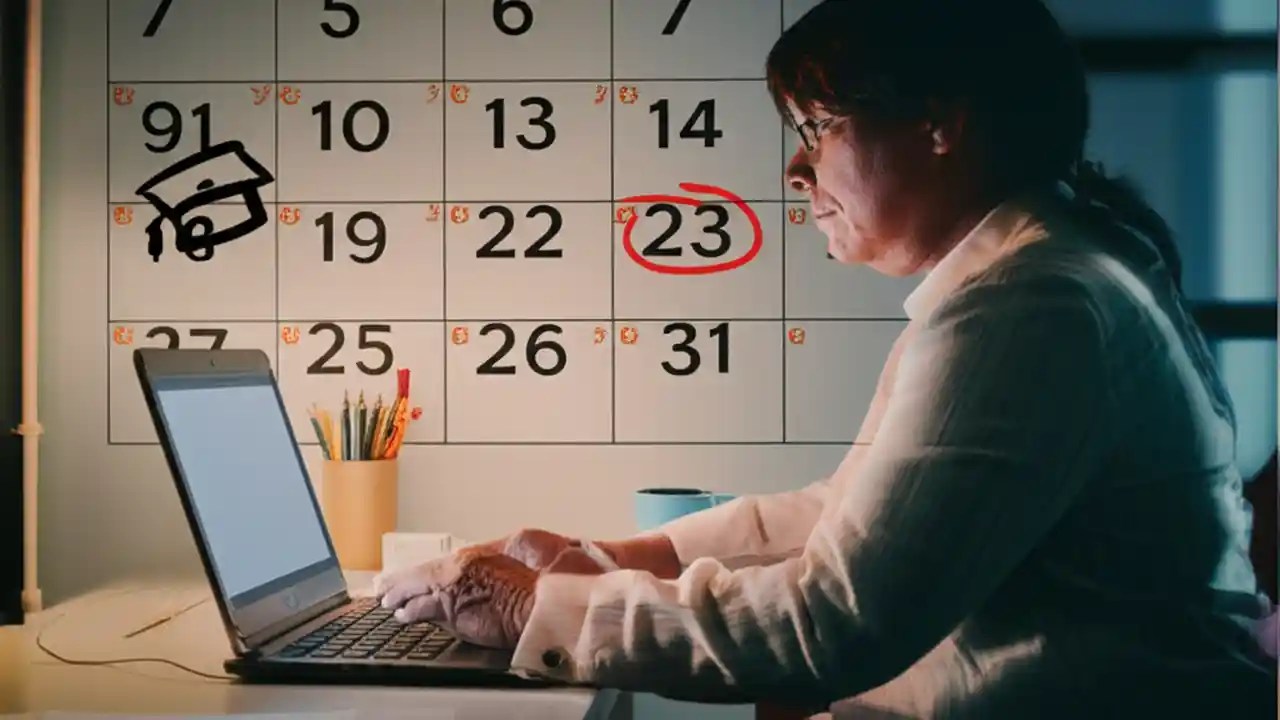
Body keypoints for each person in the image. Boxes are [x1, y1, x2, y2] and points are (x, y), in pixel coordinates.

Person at [374, 0, 1278, 717]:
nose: (795, 172)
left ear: (939, 125)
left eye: (820, 127)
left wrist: (542, 610)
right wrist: (610, 556)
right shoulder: (1053, 265)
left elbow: (832, 628)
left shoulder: (1030, 305)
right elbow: (848, 511)